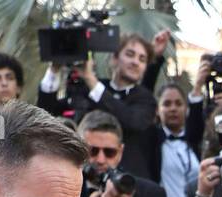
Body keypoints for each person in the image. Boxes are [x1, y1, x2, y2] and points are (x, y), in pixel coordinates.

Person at [38, 29, 172, 180]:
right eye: (129, 54)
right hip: (82, 181)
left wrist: (90, 79)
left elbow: (131, 120)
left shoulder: (146, 100)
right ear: (114, 58)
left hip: (128, 185)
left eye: (142, 59)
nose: (135, 62)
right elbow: (47, 113)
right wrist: (53, 70)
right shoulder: (90, 87)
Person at [148, 82, 197, 197]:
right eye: (167, 104)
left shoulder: (196, 141)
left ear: (186, 109)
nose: (173, 108)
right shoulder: (152, 141)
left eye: (178, 103)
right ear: (157, 110)